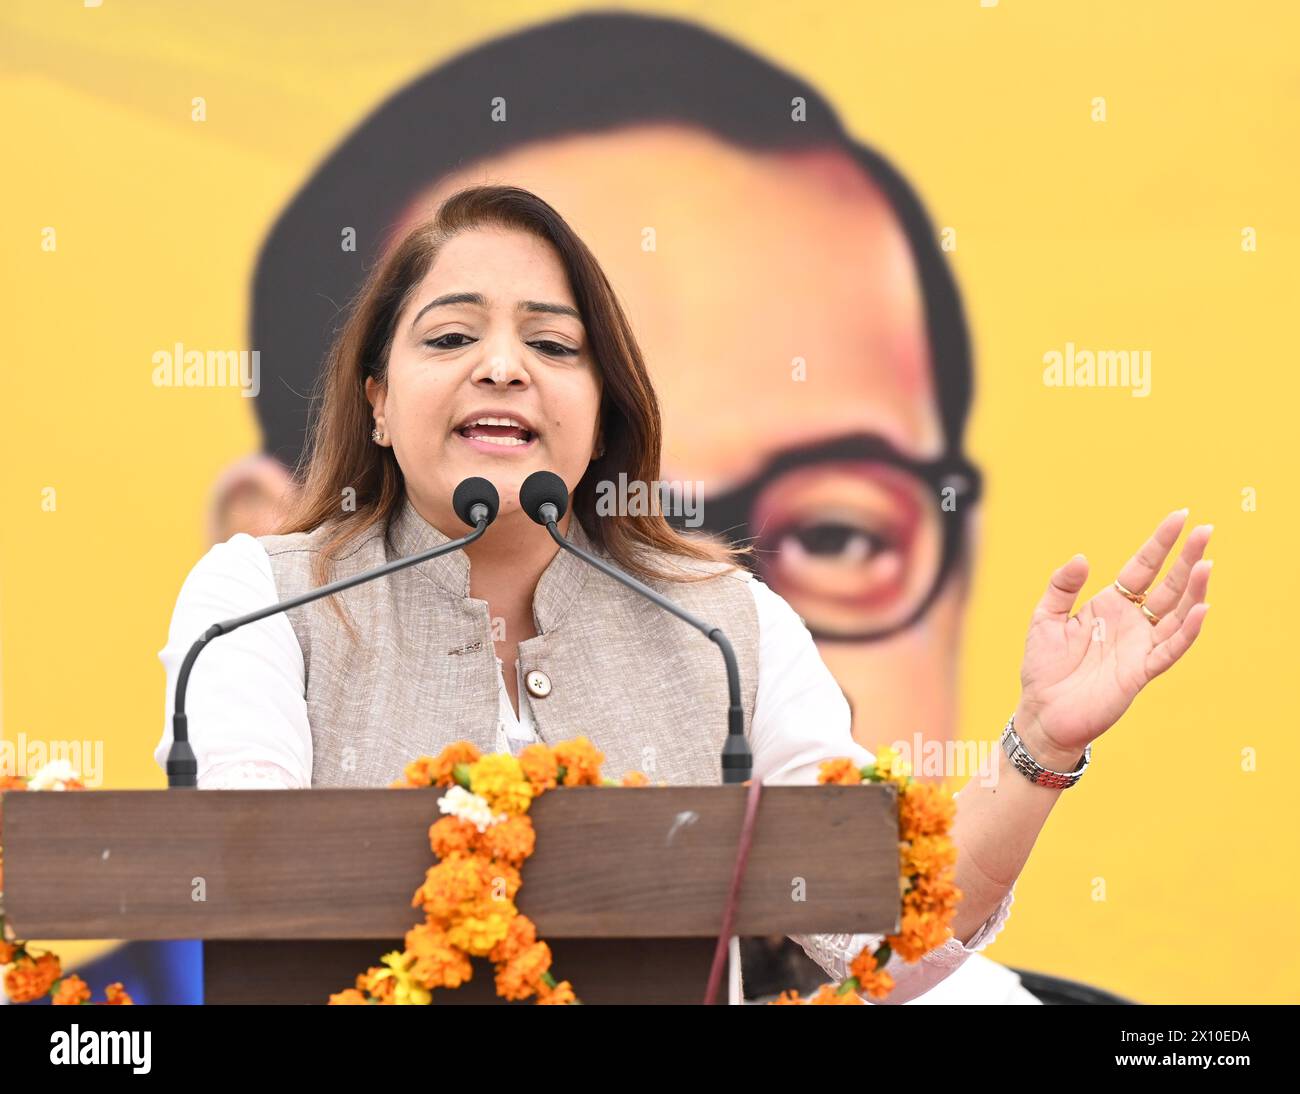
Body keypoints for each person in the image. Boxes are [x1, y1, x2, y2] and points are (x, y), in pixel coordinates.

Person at [155, 185, 1213, 1005]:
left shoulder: (718, 622)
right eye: (449, 336)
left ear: (600, 411)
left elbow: (888, 933)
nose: (503, 367)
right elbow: (249, 884)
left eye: (553, 344)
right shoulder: (261, 602)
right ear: (377, 403)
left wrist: (1040, 740)